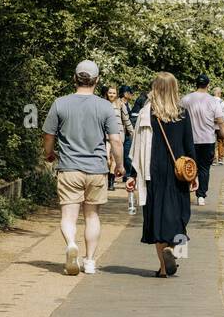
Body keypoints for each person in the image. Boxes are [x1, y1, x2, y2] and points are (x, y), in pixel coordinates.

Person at [42, 60, 124, 275]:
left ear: (74, 79)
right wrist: (120, 165)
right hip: (96, 169)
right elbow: (115, 140)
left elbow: (49, 135)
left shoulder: (59, 104)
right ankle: (89, 261)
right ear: (97, 81)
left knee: (68, 215)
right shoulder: (105, 106)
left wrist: (49, 153)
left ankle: (71, 244)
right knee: (92, 216)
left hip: (69, 167)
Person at [127, 72, 198, 277]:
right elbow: (189, 145)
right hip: (178, 171)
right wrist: (194, 176)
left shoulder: (146, 113)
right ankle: (175, 250)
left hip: (154, 170)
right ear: (174, 88)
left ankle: (164, 268)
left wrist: (133, 174)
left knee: (157, 215)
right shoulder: (182, 113)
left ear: (155, 88)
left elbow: (138, 146)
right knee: (179, 216)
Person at [180, 74, 224, 205]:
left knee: (189, 166)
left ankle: (186, 191)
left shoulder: (186, 99)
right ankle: (201, 195)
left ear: (196, 84)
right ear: (208, 85)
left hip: (189, 140)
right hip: (207, 139)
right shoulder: (214, 101)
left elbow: (178, 117)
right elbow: (221, 122)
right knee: (204, 168)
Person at [120, 85, 139, 214]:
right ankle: (127, 176)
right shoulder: (122, 104)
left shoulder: (127, 104)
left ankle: (127, 175)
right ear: (125, 93)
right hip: (124, 133)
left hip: (127, 133)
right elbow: (126, 120)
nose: (132, 95)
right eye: (130, 93)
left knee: (127, 155)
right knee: (127, 155)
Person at [212, 86, 224, 165]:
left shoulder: (209, 101)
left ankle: (213, 159)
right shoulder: (223, 103)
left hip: (211, 125)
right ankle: (220, 158)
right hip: (220, 125)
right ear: (219, 93)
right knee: (221, 141)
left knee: (212, 142)